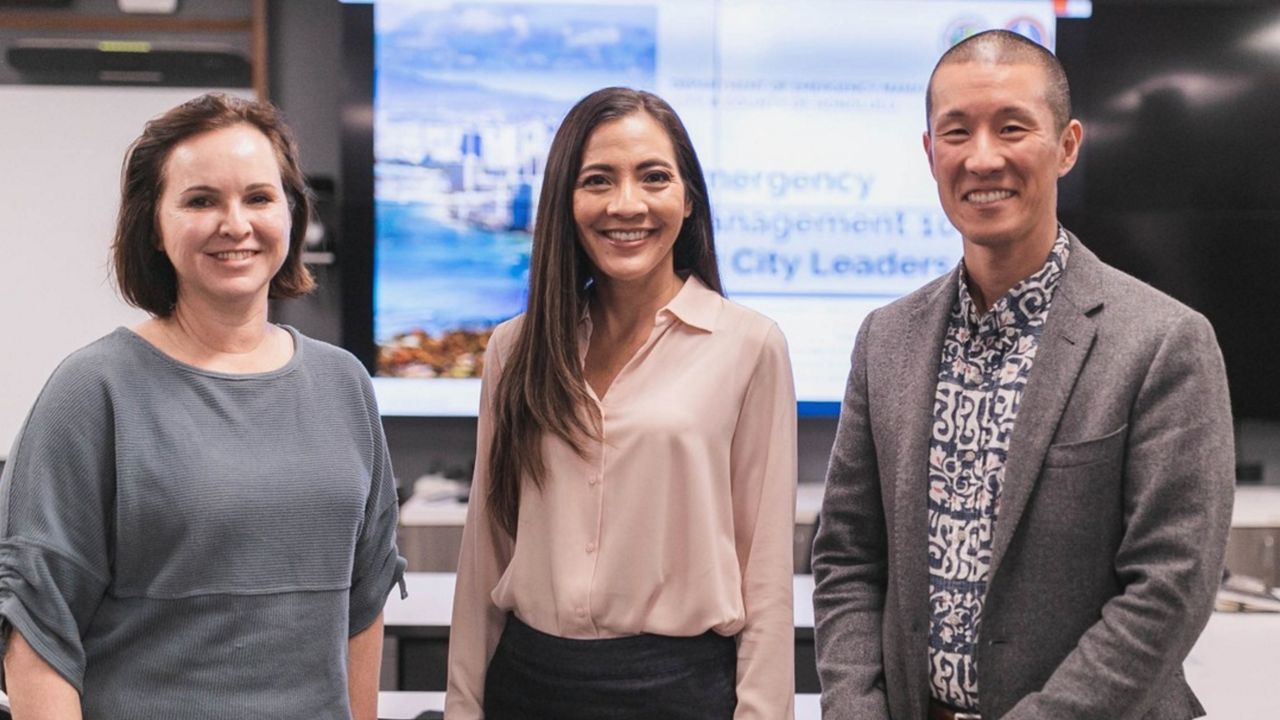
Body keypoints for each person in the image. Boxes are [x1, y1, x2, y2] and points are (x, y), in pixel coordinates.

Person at [812, 30, 1234, 720]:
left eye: (1012, 128)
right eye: (957, 131)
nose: (983, 158)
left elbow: (1170, 587)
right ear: (929, 152)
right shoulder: (885, 339)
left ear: (1067, 145)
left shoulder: (1163, 343)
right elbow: (847, 559)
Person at [0, 93, 406, 720]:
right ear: (155, 228)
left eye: (259, 197)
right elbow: (36, 630)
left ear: (292, 213)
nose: (235, 224)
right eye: (200, 201)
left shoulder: (344, 385)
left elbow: (364, 602)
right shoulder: (92, 390)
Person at [446, 87, 798, 719]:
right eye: (598, 181)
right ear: (566, 201)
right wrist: (463, 710)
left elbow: (765, 577)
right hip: (527, 689)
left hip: (679, 693)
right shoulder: (513, 350)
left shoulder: (750, 347)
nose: (626, 204)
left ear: (688, 199)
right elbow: (484, 559)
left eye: (654, 177)